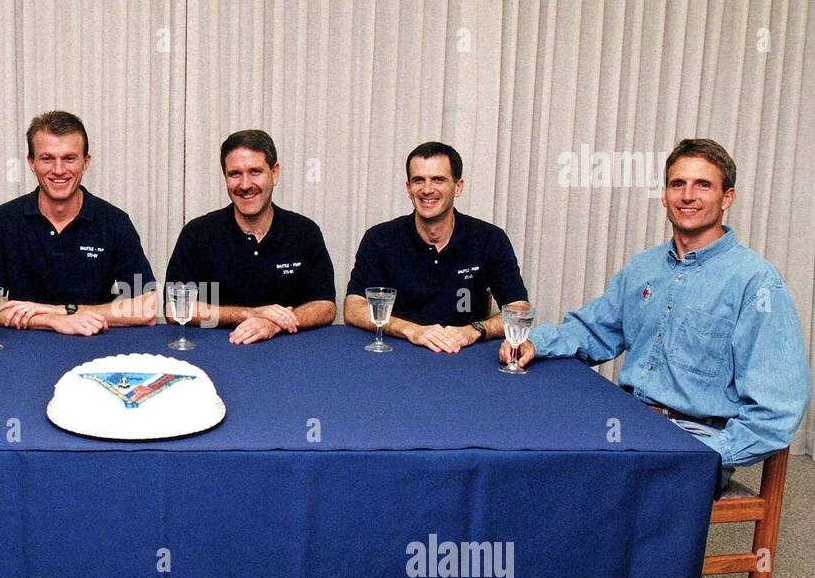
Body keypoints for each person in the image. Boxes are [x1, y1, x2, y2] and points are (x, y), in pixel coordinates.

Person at [506, 138, 811, 483]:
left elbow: (778, 409)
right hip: (627, 422)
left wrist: (711, 455)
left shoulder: (756, 283)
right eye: (678, 184)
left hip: (691, 441)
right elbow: (593, 331)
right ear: (664, 195)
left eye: (703, 185)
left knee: (580, 484)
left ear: (727, 197)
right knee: (529, 452)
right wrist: (535, 343)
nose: (688, 195)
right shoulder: (643, 268)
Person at [0, 111, 157, 336]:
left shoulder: (114, 221)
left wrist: (65, 311)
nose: (58, 170)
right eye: (47, 158)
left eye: (69, 158)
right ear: (31, 163)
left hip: (95, 344)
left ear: (85, 162)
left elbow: (147, 307)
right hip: (22, 348)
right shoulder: (5, 219)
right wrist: (50, 320)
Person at [344, 141, 530, 351]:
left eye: (438, 180)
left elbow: (518, 308)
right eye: (418, 180)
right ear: (408, 188)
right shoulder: (379, 238)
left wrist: (473, 330)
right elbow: (353, 307)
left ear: (458, 187)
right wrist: (410, 330)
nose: (427, 189)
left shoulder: (489, 238)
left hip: (464, 355)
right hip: (397, 352)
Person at [165, 129, 336, 344]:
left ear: (274, 173)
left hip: (290, 353)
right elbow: (174, 308)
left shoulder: (304, 231)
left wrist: (274, 324)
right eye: (235, 174)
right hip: (215, 352)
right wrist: (250, 313)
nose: (245, 185)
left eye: (255, 172)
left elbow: (325, 306)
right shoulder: (198, 233)